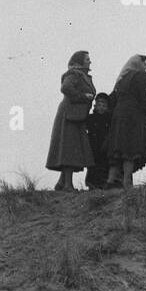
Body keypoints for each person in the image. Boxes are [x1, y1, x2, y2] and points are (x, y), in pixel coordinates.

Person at [46, 51, 96, 191]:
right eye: (87, 59)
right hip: (69, 115)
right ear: (80, 61)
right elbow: (66, 88)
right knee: (69, 148)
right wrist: (82, 97)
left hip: (76, 115)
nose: (90, 61)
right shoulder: (75, 74)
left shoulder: (81, 75)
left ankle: (62, 183)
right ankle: (68, 185)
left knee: (70, 148)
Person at [105, 55, 146, 190]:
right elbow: (145, 97)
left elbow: (112, 98)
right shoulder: (141, 76)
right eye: (144, 64)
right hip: (134, 116)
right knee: (130, 149)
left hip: (119, 115)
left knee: (117, 149)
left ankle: (111, 180)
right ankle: (127, 181)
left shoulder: (122, 78)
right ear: (139, 64)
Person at [85, 93, 113, 189]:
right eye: (99, 105)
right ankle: (91, 184)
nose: (101, 108)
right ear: (95, 106)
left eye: (104, 105)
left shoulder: (109, 119)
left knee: (104, 165)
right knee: (92, 166)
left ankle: (102, 184)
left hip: (104, 145)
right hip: (92, 145)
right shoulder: (90, 118)